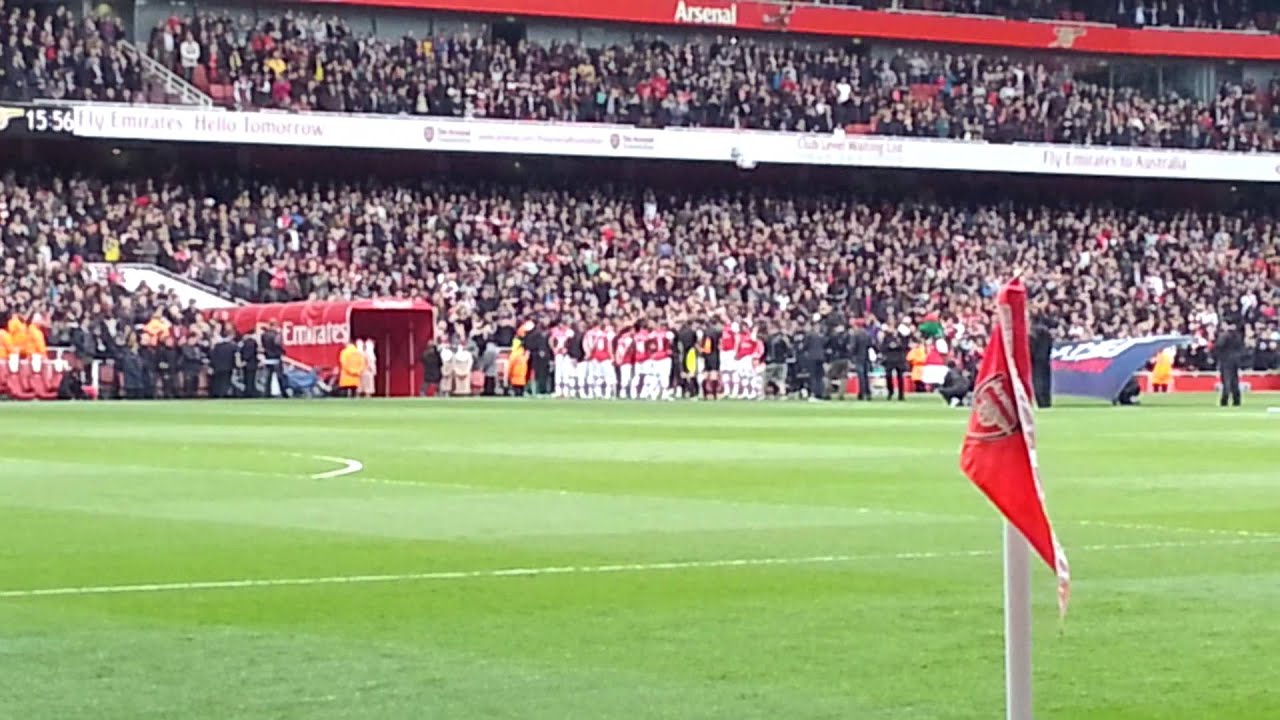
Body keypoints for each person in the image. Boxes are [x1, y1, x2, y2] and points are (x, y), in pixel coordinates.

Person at [1214, 322, 1243, 407]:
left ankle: (1224, 400)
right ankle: (1236, 400)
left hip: (1226, 360)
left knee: (1226, 381)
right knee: (1235, 381)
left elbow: (1218, 346)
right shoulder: (1238, 336)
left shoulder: (1224, 335)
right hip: (1235, 360)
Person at [1029, 315, 1054, 408]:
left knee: (1037, 381)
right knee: (1046, 381)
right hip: (1045, 360)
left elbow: (1030, 348)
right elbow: (1050, 346)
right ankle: (1046, 402)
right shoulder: (1047, 333)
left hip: (1036, 361)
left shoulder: (1032, 334)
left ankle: (1040, 401)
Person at [880, 323, 909, 401]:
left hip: (899, 359)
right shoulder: (887, 337)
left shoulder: (901, 336)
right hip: (889, 359)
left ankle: (901, 394)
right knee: (888, 376)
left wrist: (897, 345)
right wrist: (889, 346)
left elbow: (905, 346)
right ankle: (890, 391)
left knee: (900, 377)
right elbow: (882, 348)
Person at [802, 322, 827, 400]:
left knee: (813, 376)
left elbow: (805, 346)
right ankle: (820, 394)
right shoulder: (822, 336)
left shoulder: (809, 335)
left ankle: (813, 393)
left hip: (812, 357)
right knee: (820, 377)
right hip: (821, 357)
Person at [825, 323, 850, 401]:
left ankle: (827, 393)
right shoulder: (847, 336)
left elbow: (826, 345)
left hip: (836, 358)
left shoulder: (833, 336)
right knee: (844, 377)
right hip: (845, 358)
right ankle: (841, 394)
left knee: (829, 376)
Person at [209, 334, 239, 398]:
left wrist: (212, 366)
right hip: (228, 367)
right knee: (226, 382)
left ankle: (217, 395)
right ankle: (224, 394)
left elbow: (212, 357)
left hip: (218, 367)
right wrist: (235, 367)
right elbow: (234, 358)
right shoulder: (232, 347)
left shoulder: (217, 346)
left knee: (217, 382)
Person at [850, 320, 873, 401]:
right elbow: (871, 345)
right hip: (866, 357)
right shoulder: (867, 334)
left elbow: (853, 347)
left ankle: (861, 393)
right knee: (866, 376)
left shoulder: (855, 334)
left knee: (861, 377)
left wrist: (851, 355)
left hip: (858, 357)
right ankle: (868, 393)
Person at [239, 330, 259, 398]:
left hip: (248, 364)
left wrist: (244, 360)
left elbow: (246, 354)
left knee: (247, 379)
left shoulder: (246, 343)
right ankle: (250, 392)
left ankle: (248, 393)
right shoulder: (253, 342)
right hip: (252, 364)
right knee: (251, 379)